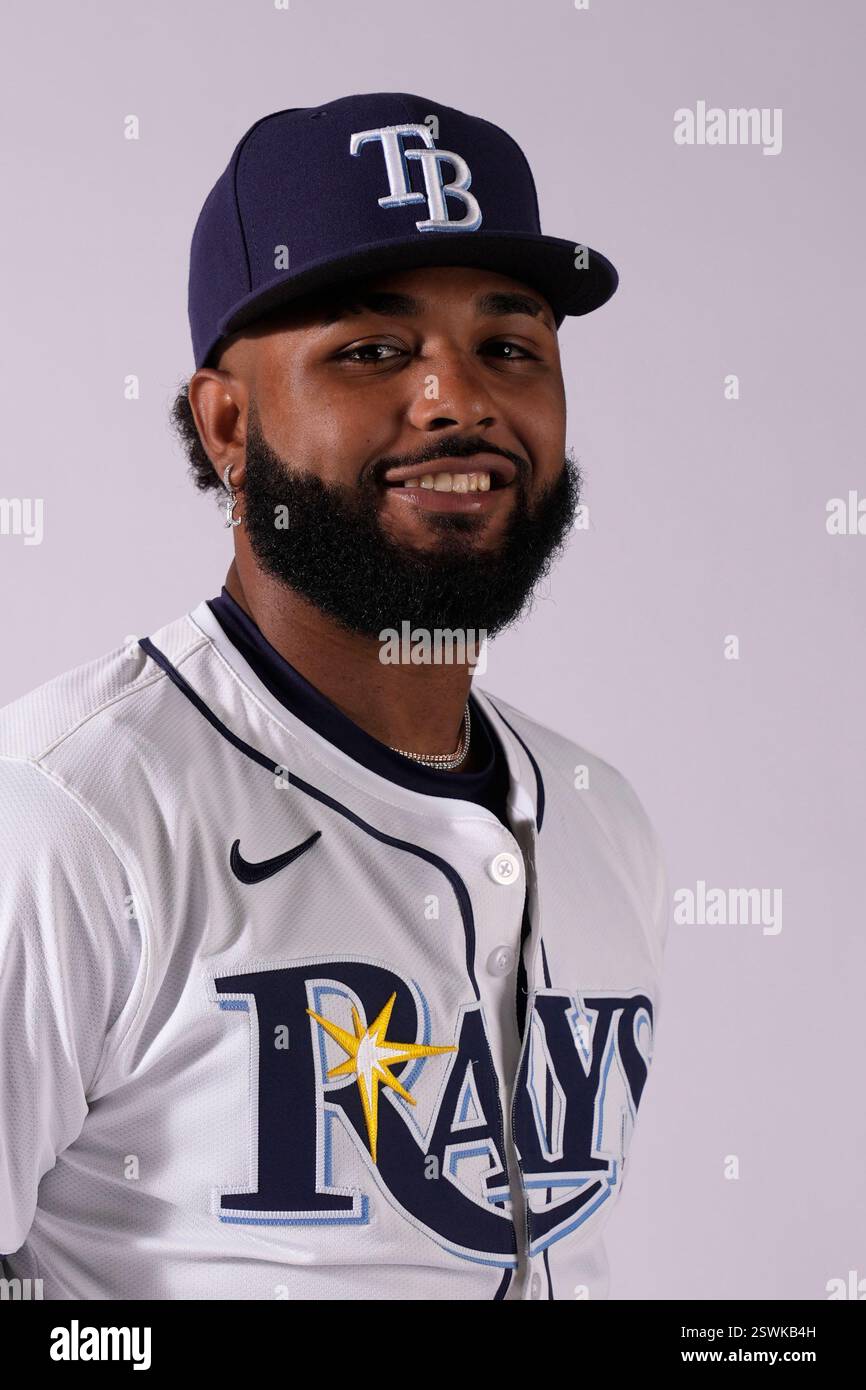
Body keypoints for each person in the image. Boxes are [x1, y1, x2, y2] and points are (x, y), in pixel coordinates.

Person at [0, 91, 668, 1301]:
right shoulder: (62, 810)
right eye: (373, 350)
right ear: (227, 425)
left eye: (508, 347)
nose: (457, 398)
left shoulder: (603, 820)